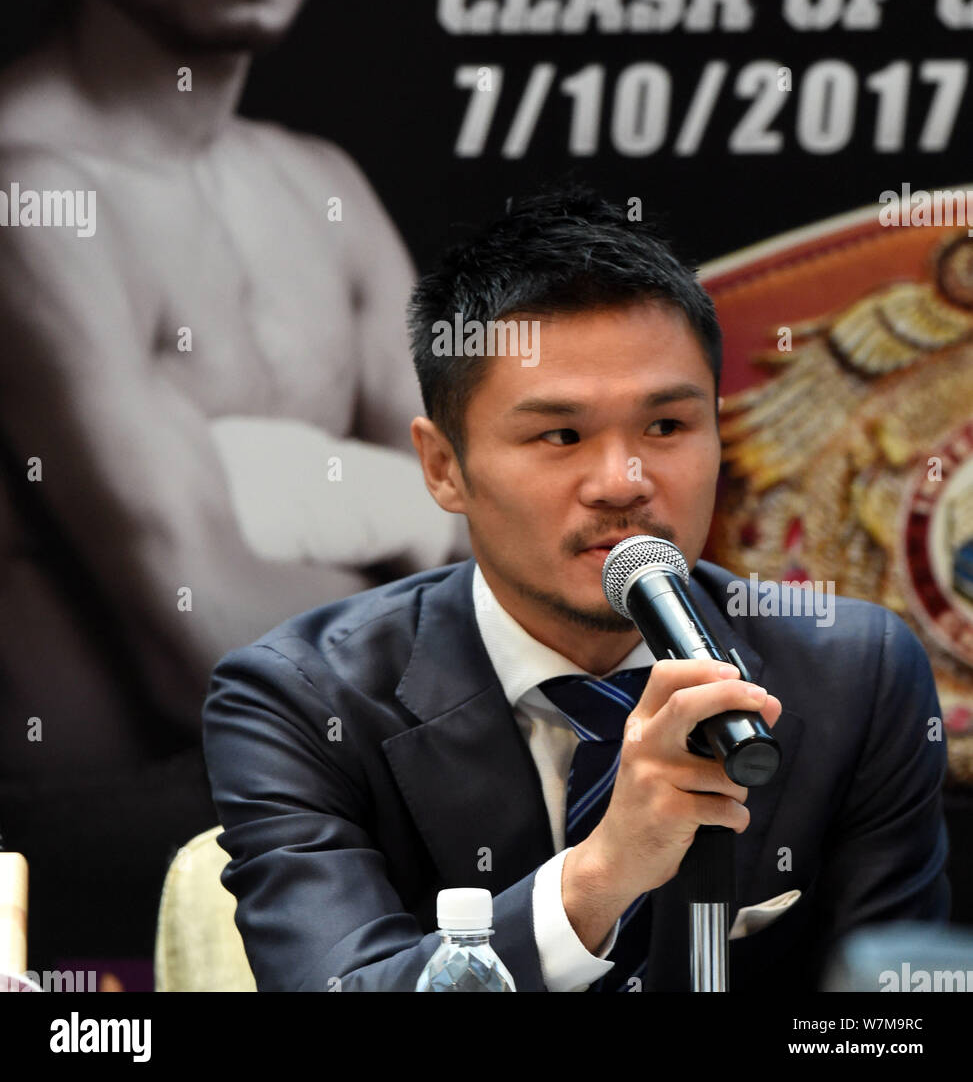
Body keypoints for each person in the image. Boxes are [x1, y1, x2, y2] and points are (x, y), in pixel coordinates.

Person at [203, 187, 951, 992]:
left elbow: (891, 1023)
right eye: (560, 436)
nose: (622, 483)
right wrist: (598, 876)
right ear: (442, 467)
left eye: (666, 427)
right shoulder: (299, 698)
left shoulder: (858, 674)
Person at [0, 0, 463, 966]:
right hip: (95, 926)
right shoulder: (29, 198)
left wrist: (351, 508)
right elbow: (204, 645)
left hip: (334, 898)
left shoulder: (320, 188)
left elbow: (508, 525)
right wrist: (415, 536)